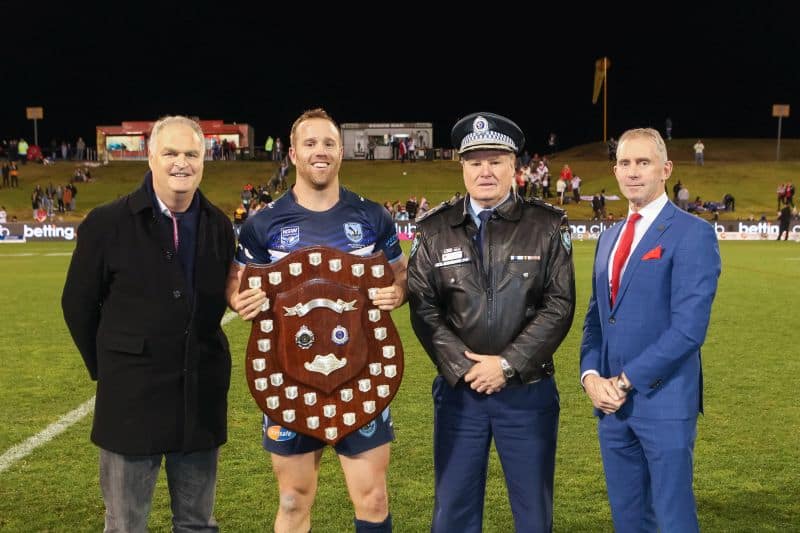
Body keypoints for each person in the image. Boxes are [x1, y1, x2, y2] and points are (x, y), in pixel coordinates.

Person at [226, 108, 407, 533]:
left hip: (361, 373)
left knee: (374, 496)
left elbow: (399, 271)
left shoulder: (372, 217)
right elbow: (237, 281)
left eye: (328, 143)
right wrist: (239, 301)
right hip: (290, 378)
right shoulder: (263, 223)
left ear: (341, 152)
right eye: (309, 144)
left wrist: (398, 291)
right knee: (292, 500)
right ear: (292, 153)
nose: (319, 152)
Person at [61, 116, 235, 531]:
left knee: (197, 524)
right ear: (151, 157)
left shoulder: (219, 226)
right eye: (171, 153)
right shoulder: (107, 223)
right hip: (130, 402)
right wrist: (112, 367)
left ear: (204, 161)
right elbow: (77, 305)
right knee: (125, 524)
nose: (181, 163)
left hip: (199, 400)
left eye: (191, 154)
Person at [407, 111, 576, 533]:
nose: (485, 171)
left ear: (514, 165)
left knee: (533, 514)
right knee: (453, 513)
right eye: (475, 161)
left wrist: (505, 365)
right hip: (459, 395)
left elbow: (560, 306)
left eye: (495, 160)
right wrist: (466, 368)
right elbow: (423, 307)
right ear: (462, 166)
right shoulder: (433, 229)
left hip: (527, 392)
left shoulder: (547, 225)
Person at [580, 128, 721, 533]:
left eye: (644, 162)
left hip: (663, 403)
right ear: (615, 170)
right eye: (625, 163)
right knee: (628, 519)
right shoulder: (609, 238)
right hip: (610, 406)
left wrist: (625, 381)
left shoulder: (693, 233)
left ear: (666, 169)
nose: (633, 172)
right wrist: (590, 377)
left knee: (672, 518)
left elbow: (689, 330)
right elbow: (596, 320)